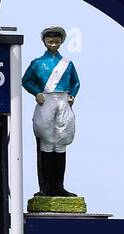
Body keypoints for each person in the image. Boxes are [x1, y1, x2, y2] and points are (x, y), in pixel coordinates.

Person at [22, 26, 81, 198]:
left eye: (56, 41)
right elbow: (26, 81)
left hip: (63, 100)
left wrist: (72, 95)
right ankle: (46, 187)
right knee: (46, 140)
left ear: (61, 42)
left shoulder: (68, 64)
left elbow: (75, 82)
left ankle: (59, 186)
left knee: (61, 141)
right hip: (46, 99)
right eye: (50, 41)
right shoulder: (38, 63)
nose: (53, 44)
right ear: (45, 42)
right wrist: (37, 93)